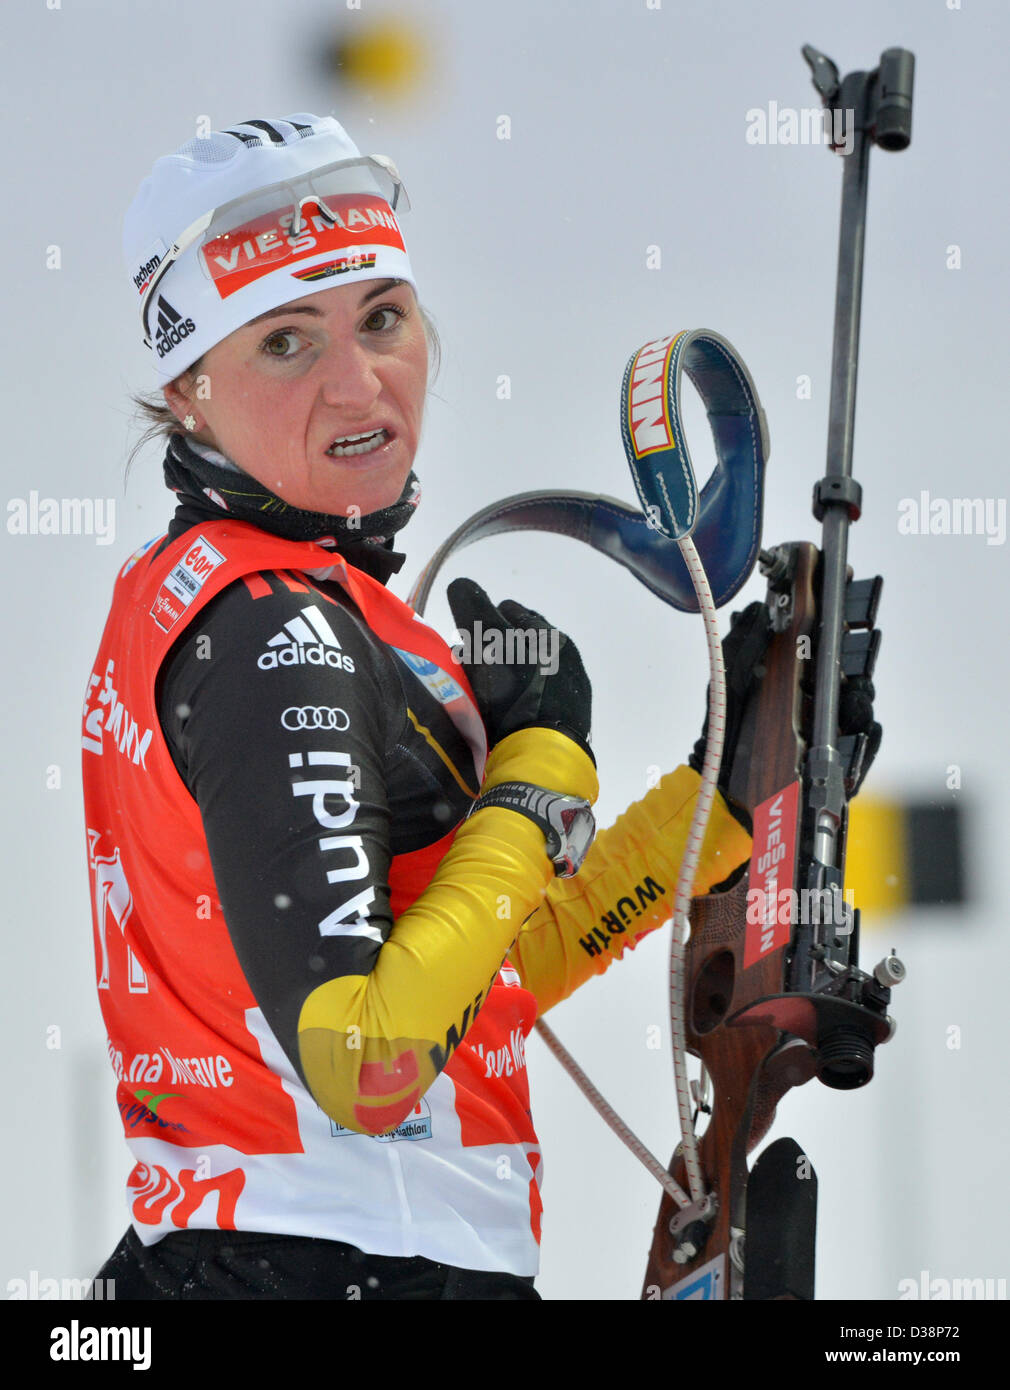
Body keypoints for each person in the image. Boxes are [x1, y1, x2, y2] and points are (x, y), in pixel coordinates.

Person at [81, 112, 783, 1301]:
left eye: (381, 319)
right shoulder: (277, 631)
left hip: (290, 1258)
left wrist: (717, 805)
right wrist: (539, 772)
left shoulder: (259, 595)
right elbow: (370, 1060)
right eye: (286, 341)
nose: (358, 383)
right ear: (187, 390)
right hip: (328, 1258)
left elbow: (472, 986)